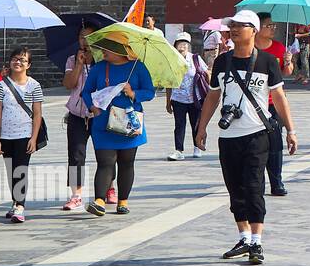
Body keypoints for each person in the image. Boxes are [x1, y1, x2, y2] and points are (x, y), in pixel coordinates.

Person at [198, 9, 297, 266]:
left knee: (254, 186)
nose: (234, 29)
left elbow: (280, 98)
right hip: (228, 135)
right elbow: (212, 96)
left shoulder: (267, 62)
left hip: (257, 134)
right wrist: (201, 127)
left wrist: (291, 130)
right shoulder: (222, 62)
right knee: (234, 188)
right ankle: (243, 236)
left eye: (241, 26)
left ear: (253, 30)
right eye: (232, 25)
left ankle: (257, 241)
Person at [81, 30, 155, 216]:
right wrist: (92, 107)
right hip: (103, 123)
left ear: (120, 50)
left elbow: (150, 91)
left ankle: (123, 200)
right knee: (105, 161)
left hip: (130, 122)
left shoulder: (138, 67)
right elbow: (86, 91)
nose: (103, 52)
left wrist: (134, 93)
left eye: (108, 48)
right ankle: (99, 200)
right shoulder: (99, 68)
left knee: (126, 162)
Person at [0, 46, 43, 222]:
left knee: (20, 170)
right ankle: (15, 202)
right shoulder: (1, 85)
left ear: (29, 65)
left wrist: (34, 138)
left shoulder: (34, 85)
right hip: (6, 135)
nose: (18, 62)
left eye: (22, 60)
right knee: (10, 170)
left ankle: (20, 206)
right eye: (15, 58)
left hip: (24, 135)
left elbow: (37, 114)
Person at [255, 13, 294, 195]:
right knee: (256, 146)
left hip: (273, 104)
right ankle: (257, 182)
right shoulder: (249, 48)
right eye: (269, 26)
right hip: (253, 105)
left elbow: (286, 73)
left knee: (275, 144)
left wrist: (288, 62)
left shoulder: (279, 48)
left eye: (274, 26)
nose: (272, 29)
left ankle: (277, 182)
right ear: (258, 27)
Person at [60, 25, 95, 210]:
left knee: (105, 154)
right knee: (75, 155)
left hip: (98, 114)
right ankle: (76, 194)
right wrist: (79, 65)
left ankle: (109, 188)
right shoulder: (72, 60)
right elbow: (69, 84)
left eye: (90, 37)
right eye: (82, 37)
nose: (85, 41)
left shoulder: (104, 61)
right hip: (77, 114)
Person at [166, 33, 208, 160]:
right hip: (178, 98)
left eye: (185, 44)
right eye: (180, 43)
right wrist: (168, 102)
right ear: (175, 45)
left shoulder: (195, 58)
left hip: (195, 98)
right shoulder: (172, 60)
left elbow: (206, 73)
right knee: (179, 124)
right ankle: (179, 150)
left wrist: (210, 91)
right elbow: (169, 82)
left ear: (189, 46)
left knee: (195, 123)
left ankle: (197, 147)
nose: (182, 46)